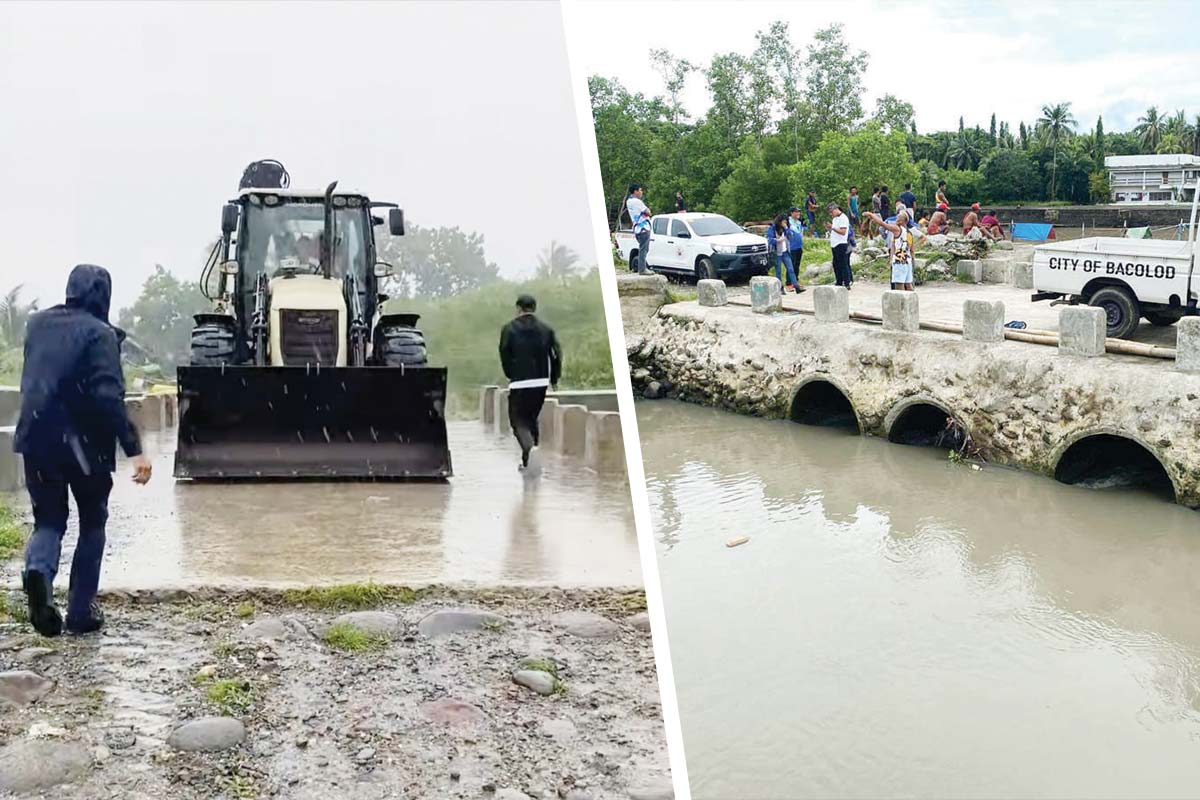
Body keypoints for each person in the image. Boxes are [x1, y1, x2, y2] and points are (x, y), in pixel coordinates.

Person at [15, 264, 151, 637]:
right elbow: (108, 395)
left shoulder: (37, 325)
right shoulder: (100, 335)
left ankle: (39, 571)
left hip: (36, 438)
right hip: (84, 446)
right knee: (93, 522)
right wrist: (134, 449)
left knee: (48, 521)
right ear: (103, 296)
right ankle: (79, 612)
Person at [499, 294, 563, 472]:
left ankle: (530, 450)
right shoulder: (546, 329)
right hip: (540, 382)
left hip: (519, 383)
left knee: (518, 422)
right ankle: (528, 462)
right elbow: (556, 354)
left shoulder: (508, 329)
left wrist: (510, 374)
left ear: (518, 308)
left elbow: (504, 354)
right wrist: (554, 378)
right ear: (534, 308)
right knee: (531, 419)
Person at [866, 209, 923, 291]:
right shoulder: (908, 233)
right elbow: (911, 249)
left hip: (899, 261)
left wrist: (871, 215)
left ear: (901, 221)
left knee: (899, 285)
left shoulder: (897, 229)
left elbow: (882, 224)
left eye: (898, 218)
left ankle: (901, 303)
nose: (896, 219)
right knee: (908, 284)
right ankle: (912, 302)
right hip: (907, 260)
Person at [767, 213, 801, 293]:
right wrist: (778, 240)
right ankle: (780, 287)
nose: (784, 223)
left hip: (785, 252)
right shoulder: (772, 228)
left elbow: (790, 236)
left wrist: (786, 227)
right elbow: (769, 240)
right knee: (778, 271)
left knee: (790, 269)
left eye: (786, 222)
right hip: (777, 253)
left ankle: (796, 286)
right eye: (783, 222)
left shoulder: (785, 228)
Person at [825, 201, 853, 289]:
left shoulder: (843, 218)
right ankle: (839, 280)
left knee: (843, 263)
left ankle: (847, 282)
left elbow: (843, 231)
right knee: (836, 264)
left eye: (831, 212)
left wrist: (832, 227)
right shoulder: (835, 219)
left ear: (836, 209)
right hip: (834, 244)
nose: (831, 214)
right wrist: (830, 228)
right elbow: (835, 231)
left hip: (841, 243)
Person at [625, 184, 651, 273]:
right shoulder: (637, 202)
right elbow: (648, 212)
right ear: (635, 191)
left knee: (643, 248)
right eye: (640, 190)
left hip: (637, 229)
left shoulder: (629, 201)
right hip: (643, 228)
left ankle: (642, 268)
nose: (641, 192)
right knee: (644, 249)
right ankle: (642, 269)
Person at [787, 207, 806, 292]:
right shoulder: (788, 221)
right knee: (791, 265)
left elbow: (800, 233)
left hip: (799, 246)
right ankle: (789, 283)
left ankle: (796, 282)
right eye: (796, 212)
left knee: (797, 265)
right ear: (791, 213)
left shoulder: (799, 222)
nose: (798, 213)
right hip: (791, 246)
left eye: (799, 212)